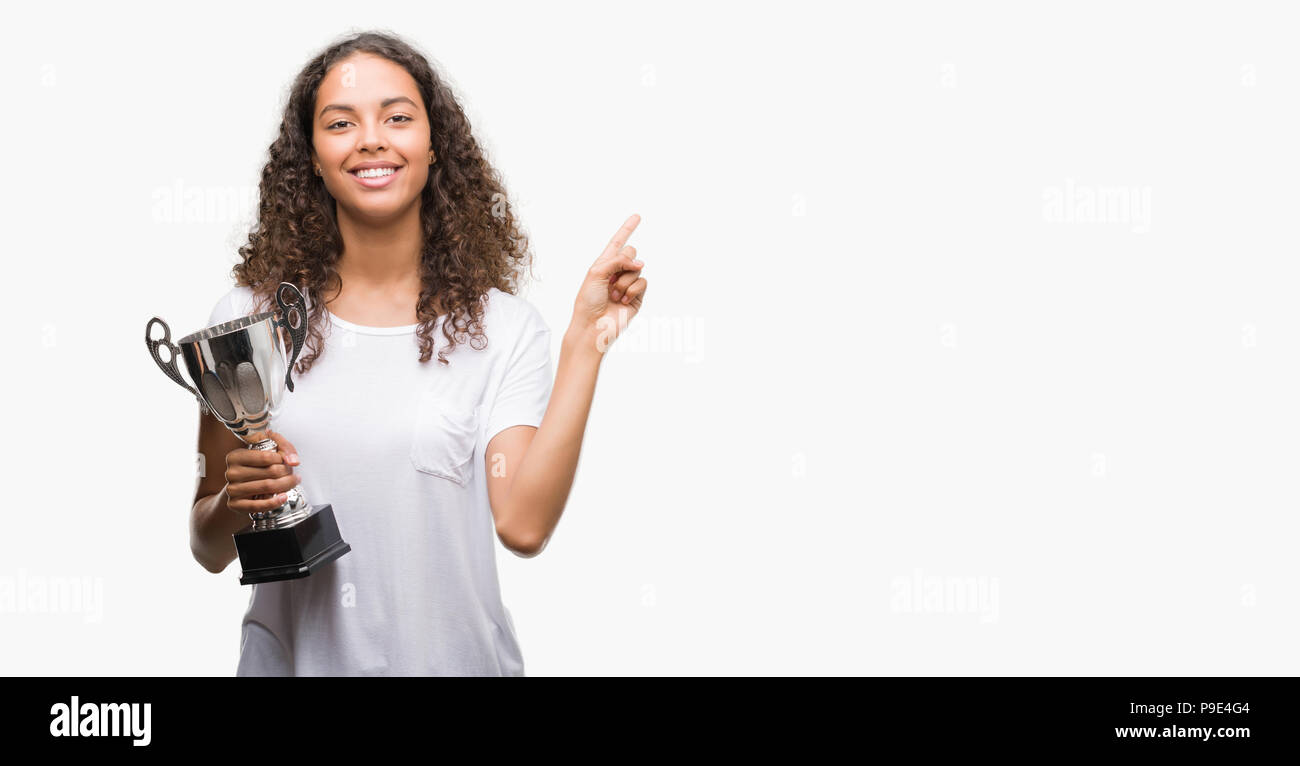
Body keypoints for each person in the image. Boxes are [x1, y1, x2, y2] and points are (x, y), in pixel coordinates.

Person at [189, 30, 648, 676]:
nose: (372, 138)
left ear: (434, 147)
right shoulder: (246, 323)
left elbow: (523, 524)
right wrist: (234, 503)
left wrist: (585, 342)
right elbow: (208, 546)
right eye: (341, 122)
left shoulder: (503, 330)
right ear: (312, 159)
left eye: (398, 118)